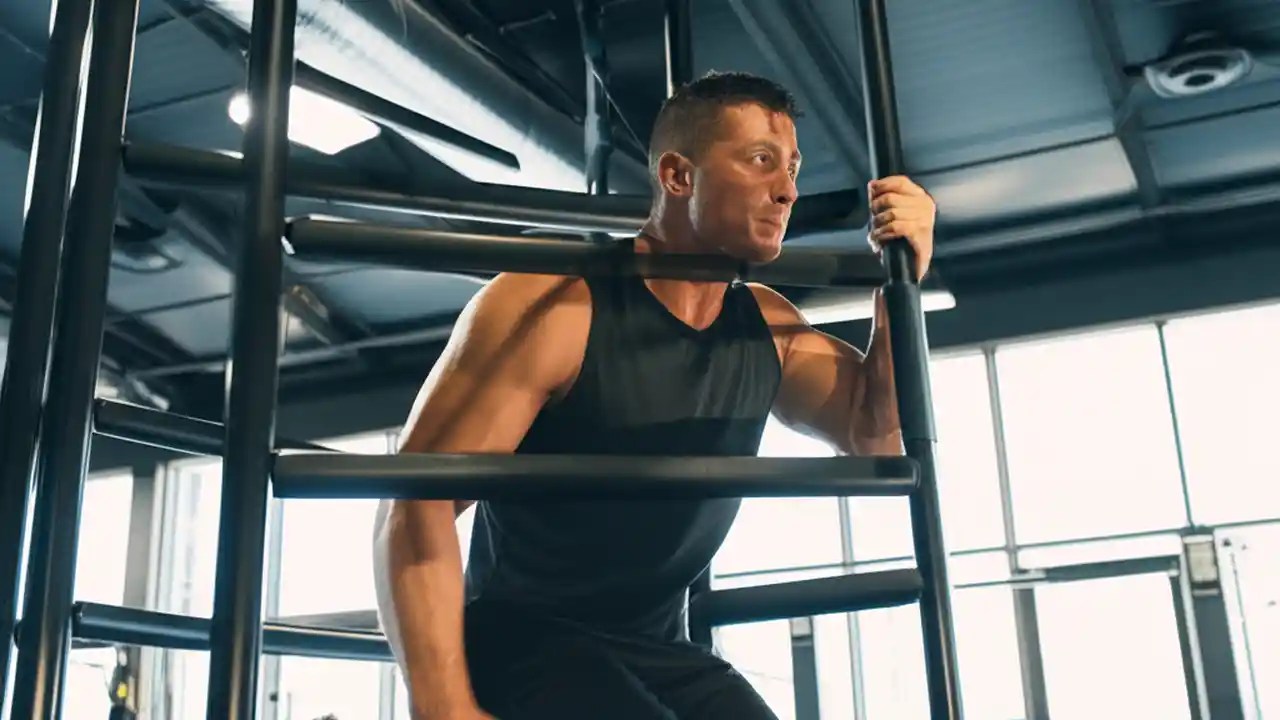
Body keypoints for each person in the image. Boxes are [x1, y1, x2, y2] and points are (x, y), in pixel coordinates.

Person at [372, 71, 936, 720]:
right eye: (759, 161)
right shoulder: (553, 304)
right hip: (524, 638)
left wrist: (901, 280)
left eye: (792, 167)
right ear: (678, 177)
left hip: (660, 646)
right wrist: (442, 706)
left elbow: (873, 431)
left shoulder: (769, 326)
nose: (786, 191)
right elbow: (415, 503)